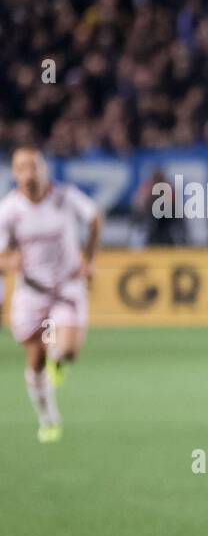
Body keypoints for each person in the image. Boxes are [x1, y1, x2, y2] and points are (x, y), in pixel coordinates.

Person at [0, 147, 102, 442]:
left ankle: (58, 359)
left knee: (68, 350)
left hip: (66, 287)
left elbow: (94, 218)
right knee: (35, 361)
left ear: (45, 169)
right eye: (22, 168)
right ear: (15, 173)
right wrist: (9, 262)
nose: (29, 174)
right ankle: (48, 419)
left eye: (34, 167)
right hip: (32, 293)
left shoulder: (65, 198)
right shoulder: (9, 210)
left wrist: (89, 259)